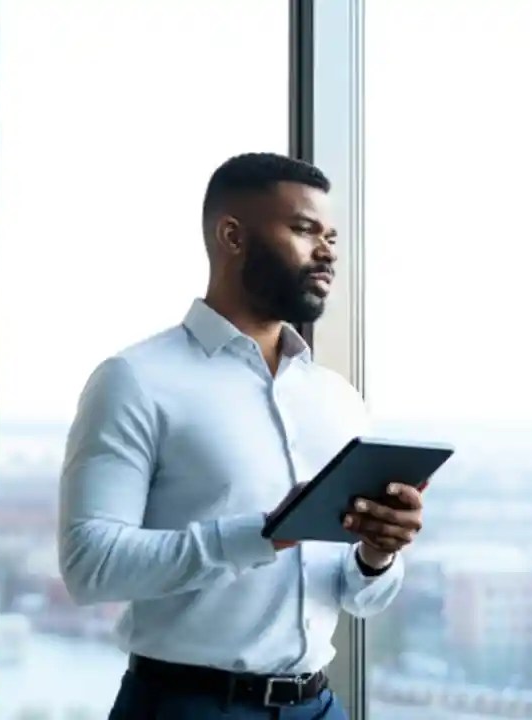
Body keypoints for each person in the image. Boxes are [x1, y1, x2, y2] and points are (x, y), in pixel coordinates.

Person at [59, 152, 425, 719]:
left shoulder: (339, 401)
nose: (327, 250)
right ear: (232, 235)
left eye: (331, 235)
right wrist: (261, 534)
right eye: (304, 229)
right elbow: (90, 565)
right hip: (187, 708)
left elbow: (357, 598)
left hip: (318, 707)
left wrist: (376, 555)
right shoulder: (136, 380)